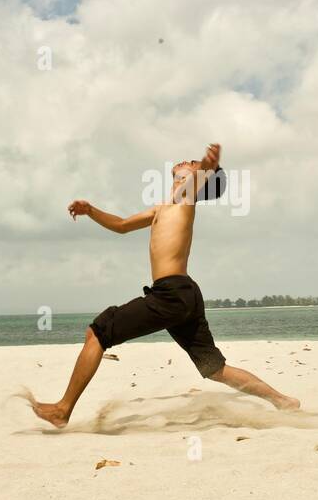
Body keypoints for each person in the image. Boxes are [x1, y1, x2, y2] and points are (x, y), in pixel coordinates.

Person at [29, 143, 299, 428]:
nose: (185, 159)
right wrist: (91, 210)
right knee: (214, 368)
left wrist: (209, 164)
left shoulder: (186, 196)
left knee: (97, 332)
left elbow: (203, 175)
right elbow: (121, 225)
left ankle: (63, 409)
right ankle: (283, 401)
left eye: (191, 161)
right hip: (185, 295)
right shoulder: (164, 207)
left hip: (171, 294)